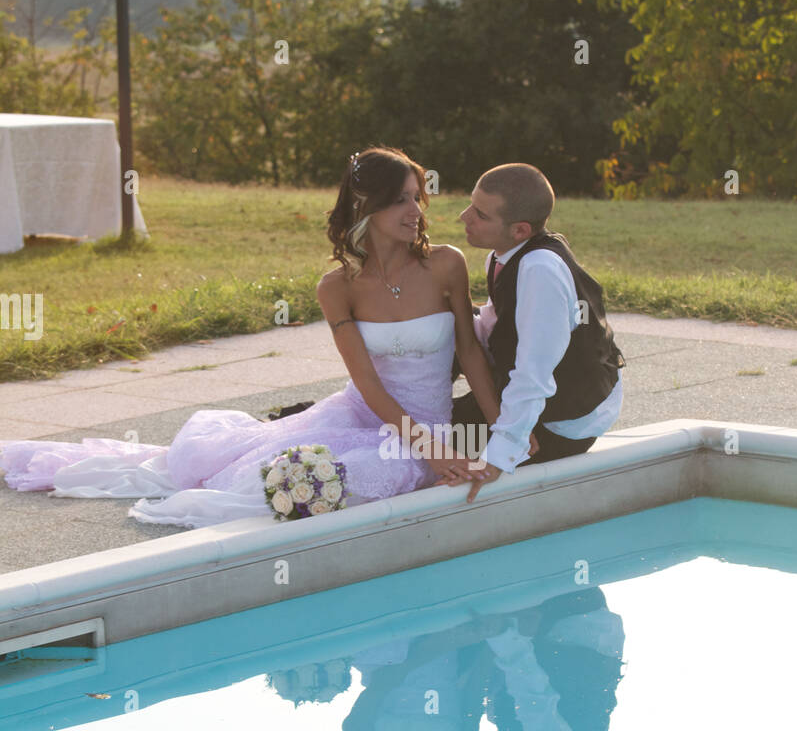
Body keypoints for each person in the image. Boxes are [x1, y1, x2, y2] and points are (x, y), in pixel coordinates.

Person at [0, 146, 500, 529]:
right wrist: (430, 449)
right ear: (366, 207)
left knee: (360, 480)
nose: (416, 210)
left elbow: (471, 353)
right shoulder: (337, 288)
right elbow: (368, 384)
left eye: (418, 197)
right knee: (295, 482)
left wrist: (508, 429)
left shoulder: (446, 264)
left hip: (427, 419)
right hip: (364, 416)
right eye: (401, 200)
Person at [440, 162, 625, 500]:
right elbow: (498, 324)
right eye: (470, 205)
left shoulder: (540, 271)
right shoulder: (504, 255)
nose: (464, 217)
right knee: (426, 437)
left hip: (567, 417)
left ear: (520, 230)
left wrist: (501, 455)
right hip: (534, 394)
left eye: (479, 214)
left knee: (446, 462)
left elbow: (533, 374)